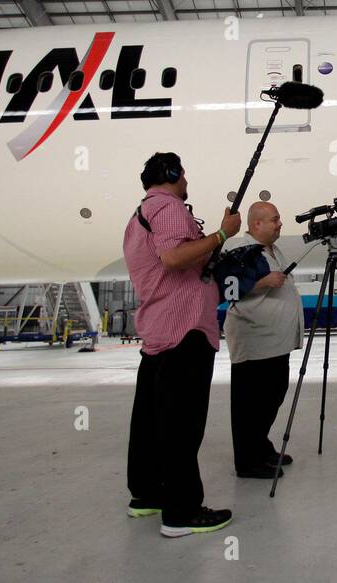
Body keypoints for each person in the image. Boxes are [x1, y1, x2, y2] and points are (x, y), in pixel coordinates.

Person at [122, 151, 241, 538]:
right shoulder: (170, 208)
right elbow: (174, 257)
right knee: (181, 426)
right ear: (172, 174)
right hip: (184, 330)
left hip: (158, 330)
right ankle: (181, 512)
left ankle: (147, 495)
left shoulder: (141, 213)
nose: (186, 179)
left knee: (151, 422)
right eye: (183, 173)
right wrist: (221, 235)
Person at [221, 201, 303, 478]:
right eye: (275, 219)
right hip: (254, 340)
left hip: (275, 341)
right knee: (250, 404)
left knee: (272, 396)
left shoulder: (271, 249)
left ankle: (261, 446)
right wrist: (263, 283)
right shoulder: (238, 250)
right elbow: (229, 290)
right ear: (257, 224)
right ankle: (247, 462)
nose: (280, 224)